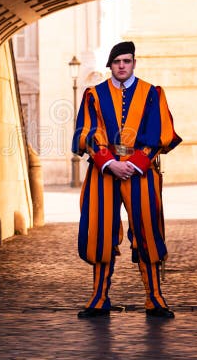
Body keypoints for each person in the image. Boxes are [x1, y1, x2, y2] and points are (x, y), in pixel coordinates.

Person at [72, 41, 181, 319]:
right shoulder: (94, 95)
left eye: (127, 61)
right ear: (110, 64)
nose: (122, 65)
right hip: (103, 172)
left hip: (140, 173)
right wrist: (109, 163)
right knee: (100, 231)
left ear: (134, 63)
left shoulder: (152, 93)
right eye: (117, 61)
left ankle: (154, 298)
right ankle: (99, 297)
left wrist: (132, 165)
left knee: (147, 231)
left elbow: (159, 132)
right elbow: (87, 131)